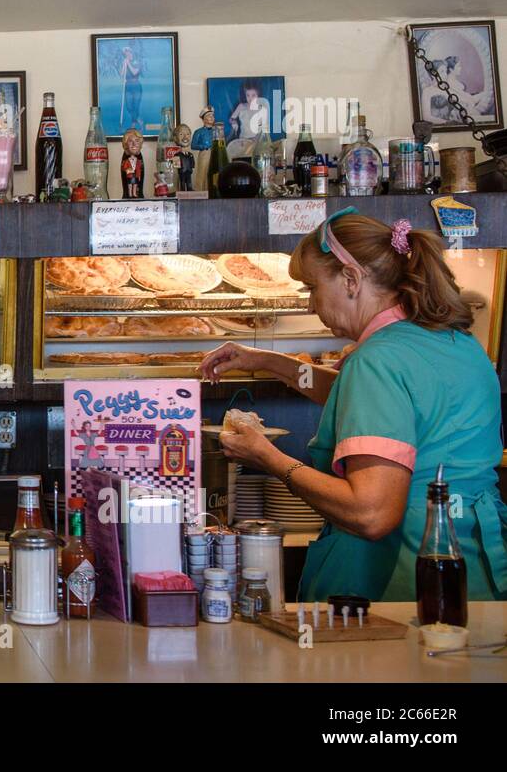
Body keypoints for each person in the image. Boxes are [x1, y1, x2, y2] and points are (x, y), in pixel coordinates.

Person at [199, 208, 507, 602]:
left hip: (400, 583)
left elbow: (371, 513)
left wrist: (268, 458)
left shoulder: (376, 361)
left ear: (350, 279)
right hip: (473, 568)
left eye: (311, 287)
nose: (311, 305)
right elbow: (364, 400)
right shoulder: (455, 342)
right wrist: (268, 361)